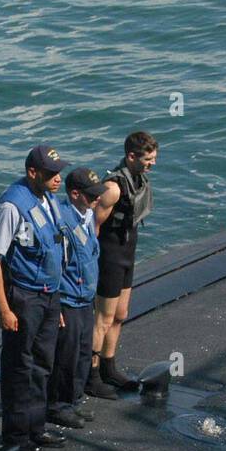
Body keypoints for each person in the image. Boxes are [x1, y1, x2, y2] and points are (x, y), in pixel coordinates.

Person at [0, 144, 70, 451]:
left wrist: (56, 303)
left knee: (42, 364)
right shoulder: (11, 206)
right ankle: (17, 436)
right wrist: (4, 308)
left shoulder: (48, 199)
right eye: (51, 173)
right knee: (20, 367)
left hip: (49, 295)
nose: (58, 178)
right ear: (32, 173)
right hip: (24, 296)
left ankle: (36, 427)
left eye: (59, 173)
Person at [88, 131, 158, 397]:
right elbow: (93, 227)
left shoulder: (139, 179)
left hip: (127, 252)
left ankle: (109, 366)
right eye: (148, 159)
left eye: (153, 158)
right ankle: (91, 375)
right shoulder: (113, 188)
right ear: (131, 156)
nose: (152, 163)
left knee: (120, 315)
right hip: (110, 256)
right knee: (103, 319)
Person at [46, 167, 104, 427]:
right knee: (66, 357)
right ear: (75, 193)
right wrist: (55, 303)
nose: (97, 199)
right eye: (92, 195)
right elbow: (55, 262)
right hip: (69, 298)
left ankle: (74, 400)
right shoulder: (63, 219)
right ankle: (58, 405)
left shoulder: (87, 215)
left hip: (85, 297)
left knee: (82, 353)